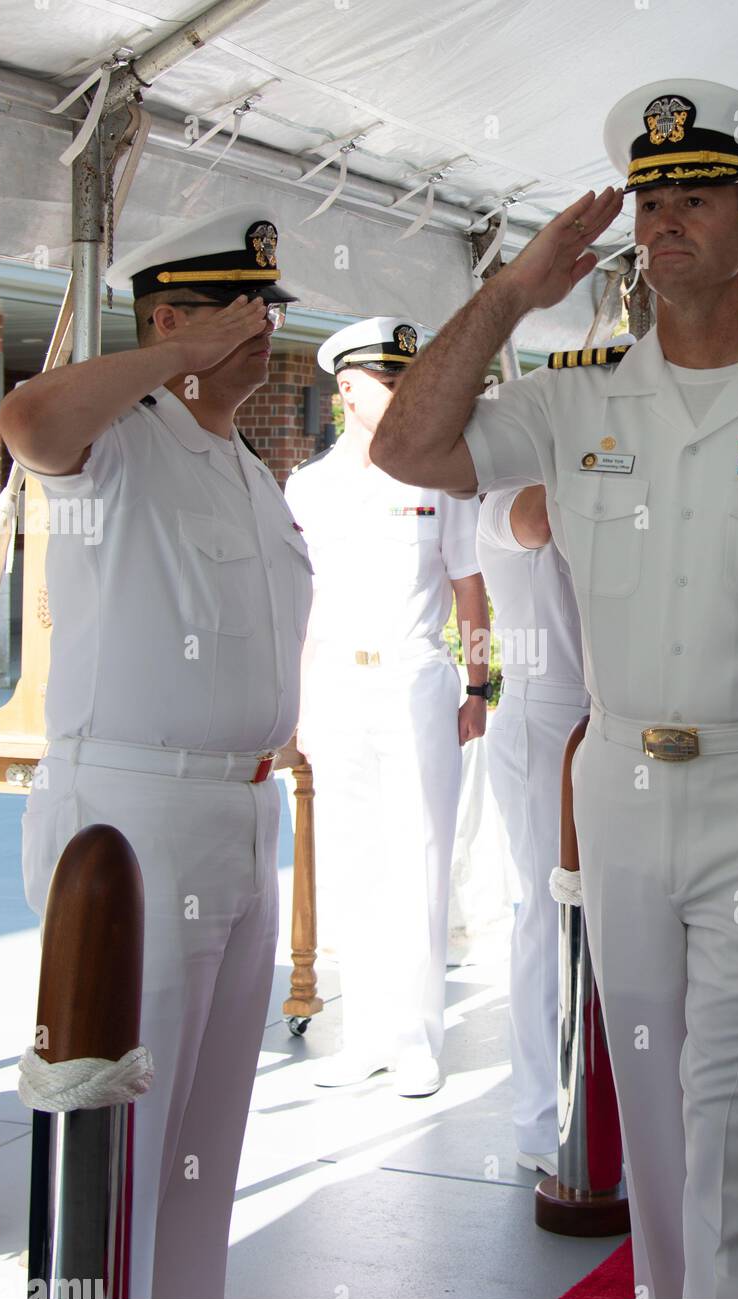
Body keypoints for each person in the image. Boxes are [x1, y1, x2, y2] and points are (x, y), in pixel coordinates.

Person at [368, 80, 738, 1299]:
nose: (665, 221)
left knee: (736, 1130)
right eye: (650, 201)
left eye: (697, 197)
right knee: (653, 1116)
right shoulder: (577, 392)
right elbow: (408, 448)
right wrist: (508, 295)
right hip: (625, 791)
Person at [0, 205, 313, 1299]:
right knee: (121, 1112)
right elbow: (27, 421)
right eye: (239, 307)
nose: (265, 325)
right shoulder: (122, 443)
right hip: (135, 820)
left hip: (241, 813)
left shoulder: (247, 468)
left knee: (204, 1129)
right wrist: (171, 360)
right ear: (171, 317)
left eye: (269, 306)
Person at [285, 317, 489, 1099]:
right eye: (387, 380)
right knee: (351, 864)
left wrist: (477, 687)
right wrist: (295, 703)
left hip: (415, 678)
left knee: (420, 859)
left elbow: (469, 586)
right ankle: (364, 1034)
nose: (403, 391)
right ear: (345, 389)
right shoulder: (308, 487)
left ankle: (416, 1039)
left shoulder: (439, 478)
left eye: (409, 378)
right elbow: (301, 599)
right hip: (335, 686)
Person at [476, 486, 589, 1175]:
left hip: (615, 719)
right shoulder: (500, 496)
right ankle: (540, 1121)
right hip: (543, 722)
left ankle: (609, 1094)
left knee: (614, 923)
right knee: (549, 918)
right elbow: (543, 516)